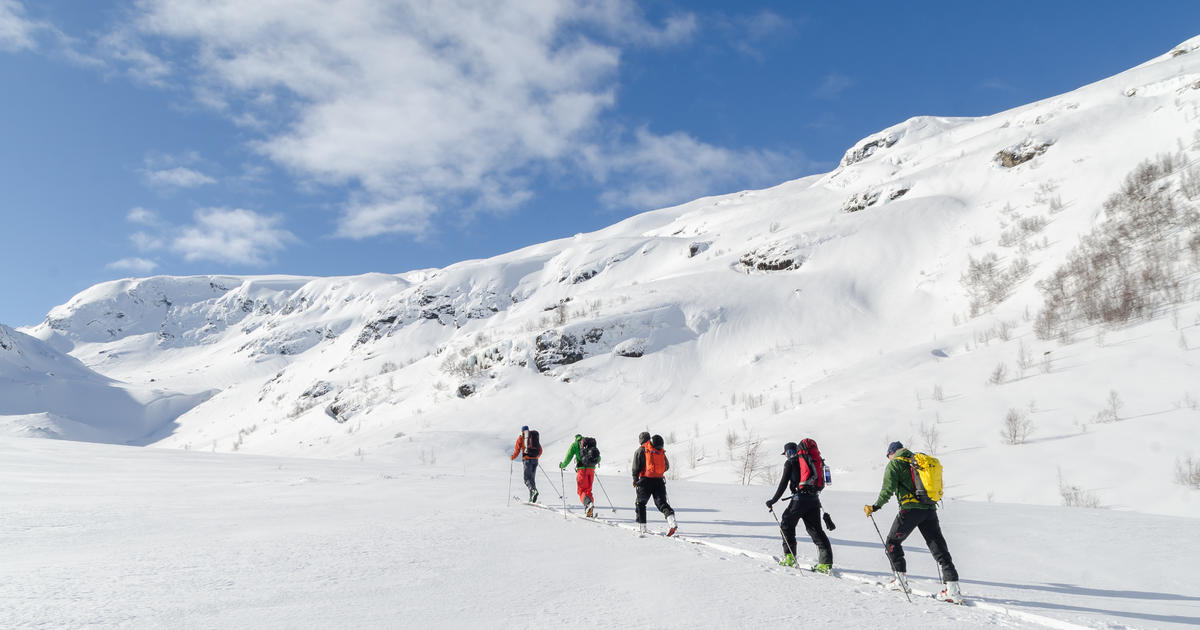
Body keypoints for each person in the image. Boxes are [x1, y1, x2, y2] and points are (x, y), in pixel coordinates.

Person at [864, 441, 962, 604]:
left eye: (888, 456)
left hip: (910, 510)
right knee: (938, 547)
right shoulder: (918, 461)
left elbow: (887, 490)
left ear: (892, 453)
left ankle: (900, 581)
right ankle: (952, 589)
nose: (888, 459)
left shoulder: (895, 464)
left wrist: (875, 507)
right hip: (929, 510)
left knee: (892, 542)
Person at [766, 439, 832, 573]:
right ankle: (825, 564)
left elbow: (783, 484)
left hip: (799, 499)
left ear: (788, 452)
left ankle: (790, 558)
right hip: (814, 498)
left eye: (785, 453)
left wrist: (773, 501)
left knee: (786, 523)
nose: (785, 456)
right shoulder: (810, 460)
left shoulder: (790, 462)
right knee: (815, 530)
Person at [632, 432, 676, 536]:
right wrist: (657, 472)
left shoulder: (640, 450)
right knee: (661, 503)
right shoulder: (659, 450)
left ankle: (642, 527)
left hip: (645, 481)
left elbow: (635, 468)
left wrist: (635, 480)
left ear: (641, 440)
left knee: (640, 503)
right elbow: (667, 466)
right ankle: (672, 521)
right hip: (659, 481)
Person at [559, 434, 601, 517]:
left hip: (582, 470)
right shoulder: (590, 444)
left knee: (581, 491)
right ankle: (590, 510)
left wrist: (562, 465)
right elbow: (598, 458)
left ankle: (588, 505)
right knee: (588, 490)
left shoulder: (575, 445)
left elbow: (569, 456)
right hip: (591, 470)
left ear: (575, 438)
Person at [510, 426, 542, 502]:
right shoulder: (534, 437)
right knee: (532, 480)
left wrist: (512, 457)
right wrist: (536, 457)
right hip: (535, 461)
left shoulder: (521, 438)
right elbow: (540, 450)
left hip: (527, 460)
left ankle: (533, 491)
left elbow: (517, 450)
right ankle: (532, 498)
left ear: (522, 431)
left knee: (527, 479)